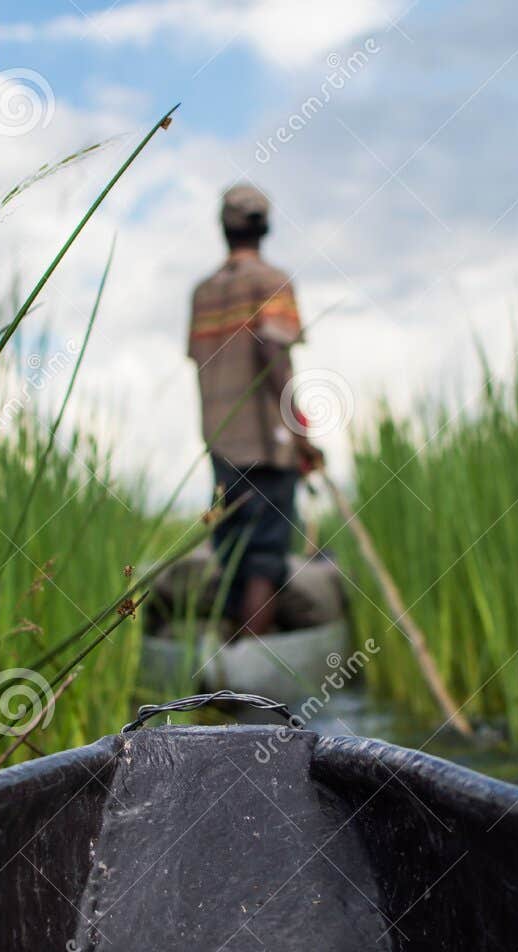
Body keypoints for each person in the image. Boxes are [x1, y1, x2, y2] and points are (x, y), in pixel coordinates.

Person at [188, 183, 321, 637]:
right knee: (265, 555)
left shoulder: (203, 293)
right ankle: (250, 658)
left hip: (222, 443)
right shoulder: (271, 282)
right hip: (268, 444)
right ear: (265, 228)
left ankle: (227, 656)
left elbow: (201, 362)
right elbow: (273, 356)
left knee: (232, 552)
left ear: (223, 229)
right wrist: (301, 435)